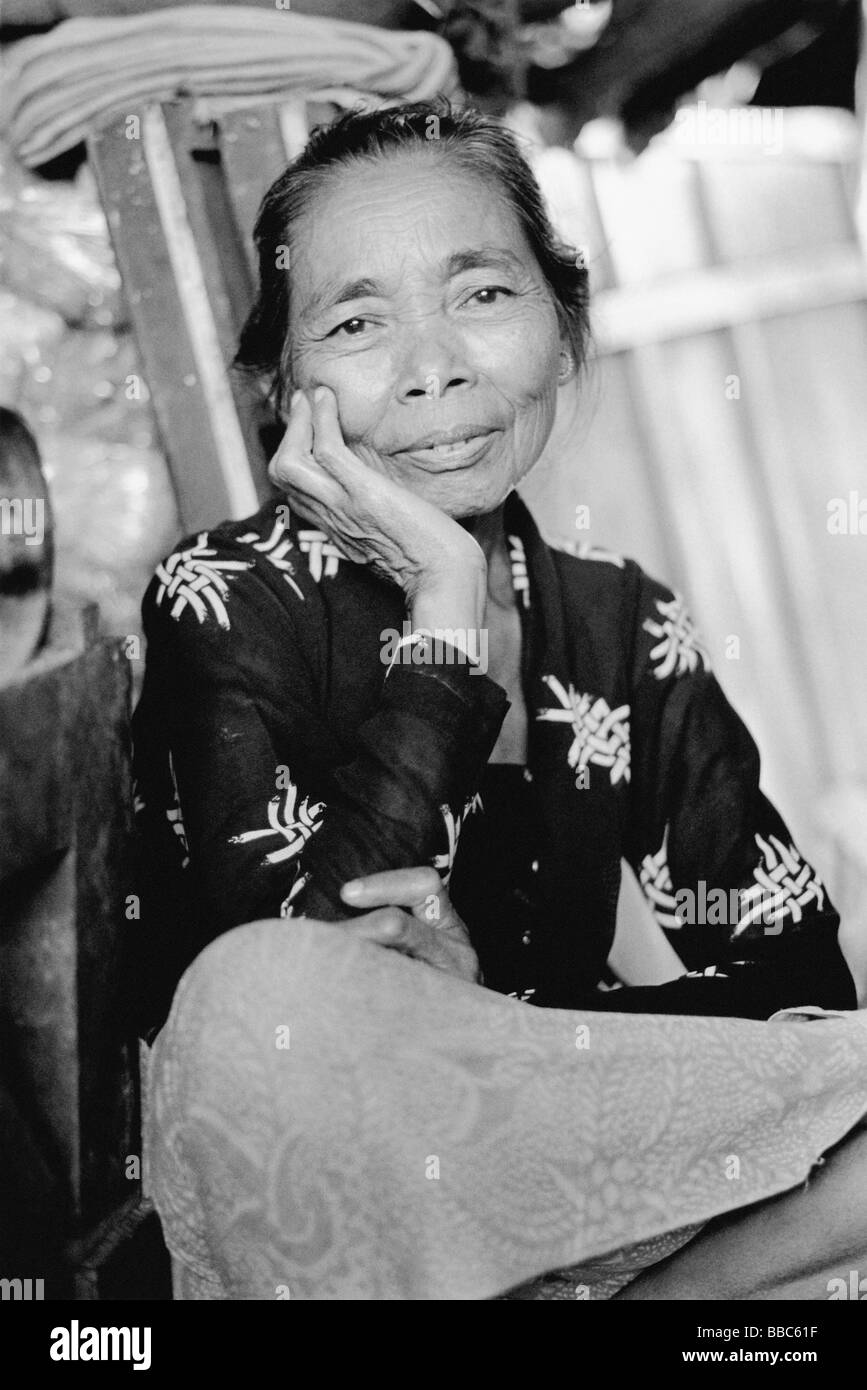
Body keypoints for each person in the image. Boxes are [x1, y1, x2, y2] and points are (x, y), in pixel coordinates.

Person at [133, 99, 867, 1300]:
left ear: (565, 327)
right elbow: (292, 1028)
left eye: (482, 294)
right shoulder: (223, 598)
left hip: (556, 1164)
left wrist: (516, 1031)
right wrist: (446, 607)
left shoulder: (621, 625)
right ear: (286, 387)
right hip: (341, 1196)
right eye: (359, 321)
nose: (435, 371)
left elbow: (794, 993)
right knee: (260, 995)